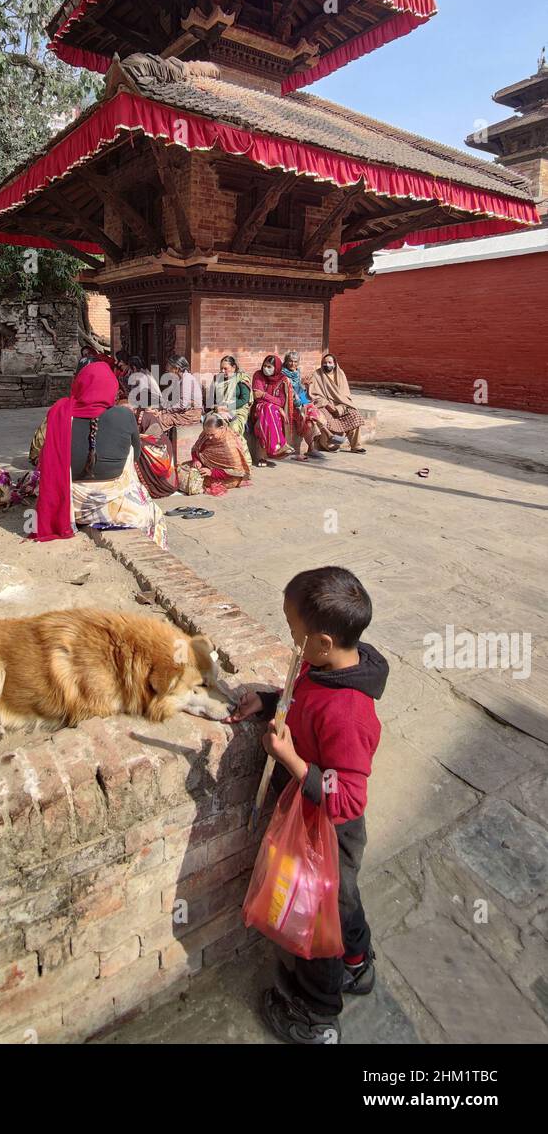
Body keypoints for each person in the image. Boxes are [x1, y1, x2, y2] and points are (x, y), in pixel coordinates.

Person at [230, 565, 388, 1045]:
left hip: (330, 830)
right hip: (310, 817)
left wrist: (293, 761)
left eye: (292, 629)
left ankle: (317, 1015)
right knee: (343, 900)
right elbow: (300, 699)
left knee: (320, 917)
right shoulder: (320, 667)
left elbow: (348, 797)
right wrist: (268, 698)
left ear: (321, 641)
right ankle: (358, 965)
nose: (290, 637)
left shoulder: (349, 714)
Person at [36, 361, 167, 547]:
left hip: (67, 504)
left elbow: (45, 458)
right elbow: (136, 455)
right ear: (112, 388)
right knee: (153, 513)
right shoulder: (124, 415)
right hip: (116, 505)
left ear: (79, 385)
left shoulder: (60, 413)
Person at [308, 353, 367, 453]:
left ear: (335, 364)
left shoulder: (340, 374)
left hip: (341, 405)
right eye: (324, 363)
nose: (327, 365)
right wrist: (327, 404)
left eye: (330, 362)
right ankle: (328, 444)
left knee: (354, 415)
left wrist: (339, 408)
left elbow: (345, 395)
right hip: (324, 405)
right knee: (325, 418)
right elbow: (314, 394)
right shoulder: (317, 375)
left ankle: (356, 446)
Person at [282, 351, 329, 460]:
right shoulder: (283, 375)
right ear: (286, 361)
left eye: (295, 362)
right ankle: (328, 433)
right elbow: (290, 394)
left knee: (309, 420)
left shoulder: (297, 373)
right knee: (308, 411)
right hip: (288, 405)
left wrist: (305, 393)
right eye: (290, 361)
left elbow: (299, 391)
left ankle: (311, 449)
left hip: (299, 403)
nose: (292, 364)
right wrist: (302, 404)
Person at [190, 413, 251, 494]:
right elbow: (196, 449)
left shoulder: (229, 445)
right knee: (185, 473)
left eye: (212, 434)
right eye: (207, 434)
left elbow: (236, 471)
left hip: (228, 477)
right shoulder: (207, 433)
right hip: (205, 468)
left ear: (221, 428)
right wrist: (196, 460)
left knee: (194, 482)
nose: (209, 437)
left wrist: (211, 472)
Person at [251, 355, 295, 465]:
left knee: (266, 418)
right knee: (268, 408)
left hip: (276, 411)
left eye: (269, 366)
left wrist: (265, 395)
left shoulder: (283, 379)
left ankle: (264, 457)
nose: (266, 368)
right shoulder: (258, 375)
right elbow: (258, 397)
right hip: (259, 409)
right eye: (265, 366)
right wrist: (277, 406)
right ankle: (279, 445)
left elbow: (282, 401)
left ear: (277, 367)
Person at [209, 355, 253, 463]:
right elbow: (211, 400)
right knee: (215, 427)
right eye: (221, 368)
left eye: (225, 368)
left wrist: (227, 407)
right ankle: (219, 459)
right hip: (219, 410)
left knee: (234, 427)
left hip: (238, 410)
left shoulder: (242, 378)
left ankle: (239, 460)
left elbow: (244, 399)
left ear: (233, 367)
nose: (222, 371)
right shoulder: (217, 380)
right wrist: (216, 408)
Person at [153, 355, 203, 431]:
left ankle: (155, 441)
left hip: (190, 415)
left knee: (159, 420)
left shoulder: (187, 379)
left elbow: (183, 404)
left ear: (176, 369)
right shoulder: (180, 380)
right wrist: (160, 408)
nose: (167, 372)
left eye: (169, 370)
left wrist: (164, 411)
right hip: (184, 412)